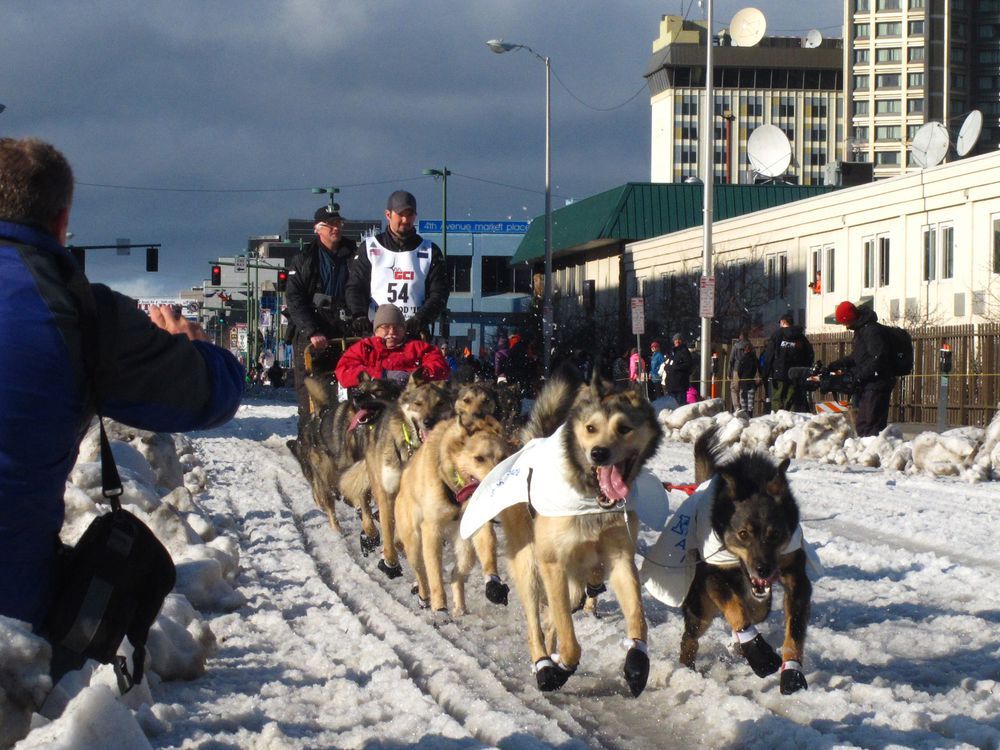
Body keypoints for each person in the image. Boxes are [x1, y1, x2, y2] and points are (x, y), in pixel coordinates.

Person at [0, 137, 244, 631]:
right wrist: (191, 347)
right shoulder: (84, 314)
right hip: (13, 620)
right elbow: (213, 394)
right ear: (62, 223)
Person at [285, 204, 358, 421]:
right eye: (330, 225)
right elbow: (295, 298)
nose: (336, 228)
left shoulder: (355, 255)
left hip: (345, 329)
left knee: (351, 389)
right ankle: (309, 436)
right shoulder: (304, 258)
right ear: (317, 229)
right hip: (313, 332)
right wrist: (311, 330)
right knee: (312, 393)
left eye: (338, 224)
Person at [345, 190, 449, 341]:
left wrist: (421, 319)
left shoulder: (430, 251)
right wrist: (359, 314)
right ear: (388, 215)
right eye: (401, 214)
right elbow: (355, 287)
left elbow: (439, 293)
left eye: (410, 214)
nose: (405, 220)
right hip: (377, 333)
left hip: (413, 334)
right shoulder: (369, 248)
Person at [334, 304, 450, 388]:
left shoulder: (416, 347)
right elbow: (344, 371)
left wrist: (413, 376)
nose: (391, 332)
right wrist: (382, 375)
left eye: (397, 327)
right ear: (376, 330)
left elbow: (440, 366)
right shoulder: (364, 348)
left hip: (409, 399)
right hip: (373, 399)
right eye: (386, 327)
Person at [829, 301, 897, 437]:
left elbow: (878, 358)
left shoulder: (870, 330)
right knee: (863, 423)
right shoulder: (861, 330)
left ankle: (872, 453)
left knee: (869, 425)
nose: (845, 326)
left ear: (850, 318)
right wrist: (839, 363)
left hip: (877, 383)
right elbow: (858, 356)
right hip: (869, 383)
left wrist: (858, 375)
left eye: (844, 322)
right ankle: (867, 449)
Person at [760, 312, 814, 413]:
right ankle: (792, 422)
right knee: (792, 400)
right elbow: (810, 354)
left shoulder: (777, 335)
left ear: (783, 322)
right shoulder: (801, 337)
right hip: (795, 374)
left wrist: (765, 373)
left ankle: (778, 421)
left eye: (780, 322)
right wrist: (805, 370)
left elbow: (769, 355)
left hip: (779, 374)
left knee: (777, 399)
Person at [664, 332, 693, 405]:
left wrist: (675, 367)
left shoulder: (684, 351)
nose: (676, 341)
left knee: (680, 406)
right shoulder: (673, 352)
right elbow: (670, 363)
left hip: (680, 386)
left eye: (678, 339)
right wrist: (667, 367)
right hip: (672, 386)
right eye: (675, 340)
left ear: (681, 341)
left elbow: (688, 365)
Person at [732, 340, 759, 416]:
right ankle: (750, 415)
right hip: (752, 383)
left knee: (744, 403)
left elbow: (739, 371)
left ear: (745, 350)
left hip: (743, 384)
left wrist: (740, 378)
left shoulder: (742, 360)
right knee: (750, 403)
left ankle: (745, 417)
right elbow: (758, 369)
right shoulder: (755, 359)